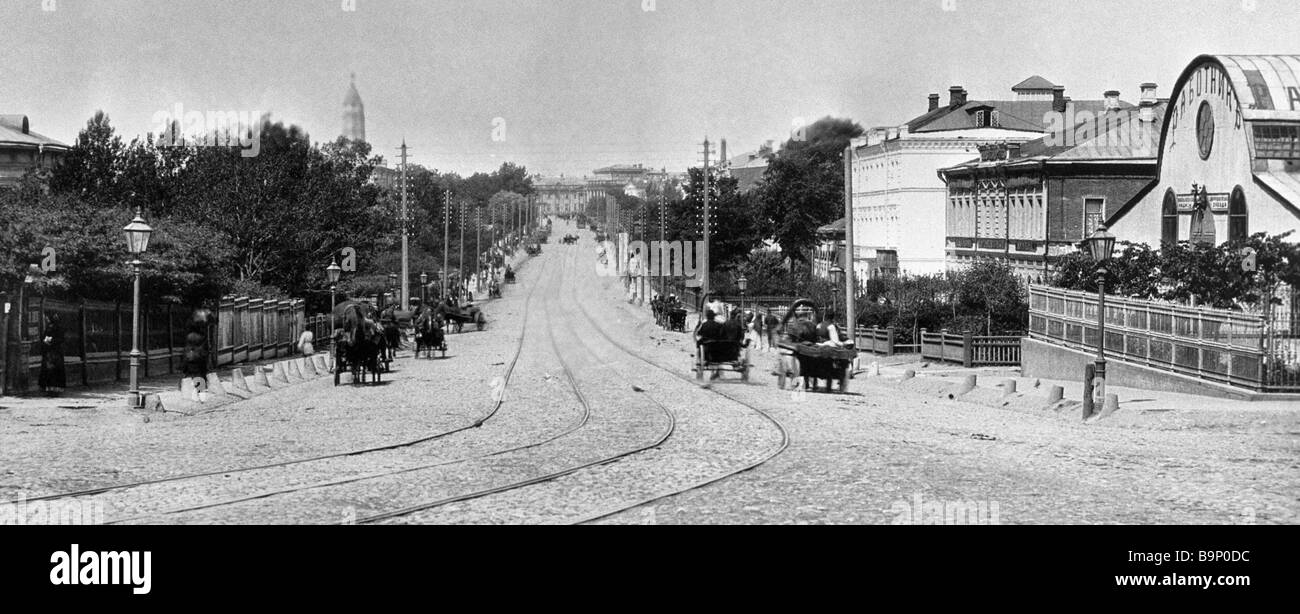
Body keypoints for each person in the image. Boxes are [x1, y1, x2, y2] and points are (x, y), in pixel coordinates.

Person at [38, 313, 66, 396]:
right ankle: (52, 389)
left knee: (52, 371)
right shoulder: (54, 327)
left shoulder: (53, 328)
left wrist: (49, 341)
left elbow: (58, 339)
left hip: (52, 352)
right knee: (53, 371)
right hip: (53, 352)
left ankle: (51, 389)